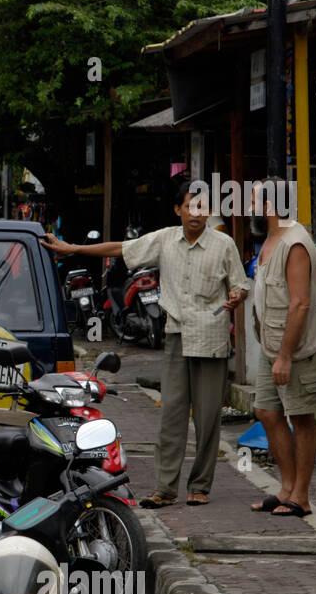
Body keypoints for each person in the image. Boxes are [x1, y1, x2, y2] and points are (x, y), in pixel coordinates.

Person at [41, 180, 250, 507]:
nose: (196, 214)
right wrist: (73, 249)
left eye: (202, 207)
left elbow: (239, 285)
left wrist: (237, 297)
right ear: (177, 210)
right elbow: (121, 249)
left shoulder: (224, 244)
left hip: (210, 338)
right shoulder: (165, 239)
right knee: (171, 416)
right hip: (176, 336)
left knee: (208, 418)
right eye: (189, 206)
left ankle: (200, 486)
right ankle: (165, 488)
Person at [249, 196, 316, 518]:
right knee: (266, 411)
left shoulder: (296, 242)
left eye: (256, 201)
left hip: (297, 348)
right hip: (270, 344)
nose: (249, 208)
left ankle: (301, 497)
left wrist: (285, 356)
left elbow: (299, 304)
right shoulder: (271, 238)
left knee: (301, 418)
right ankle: (286, 488)